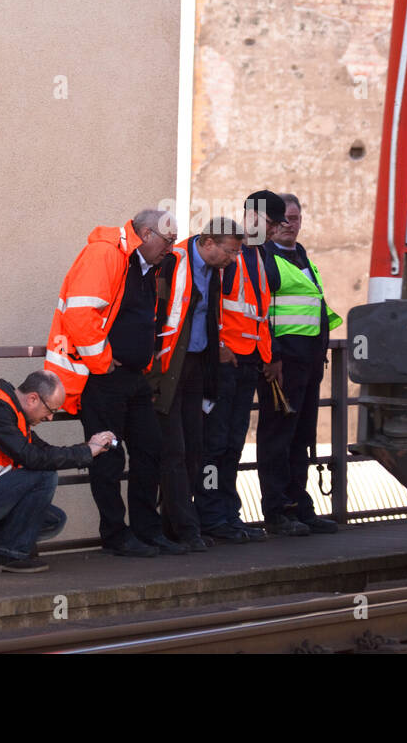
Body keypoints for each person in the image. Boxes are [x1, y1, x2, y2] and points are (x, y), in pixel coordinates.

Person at [44, 209, 174, 557]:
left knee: (150, 448)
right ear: (146, 234)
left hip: (133, 377)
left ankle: (147, 530)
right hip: (103, 380)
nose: (171, 248)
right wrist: (102, 362)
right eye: (167, 240)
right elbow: (79, 313)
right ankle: (116, 535)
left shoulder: (146, 265)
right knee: (108, 457)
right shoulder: (106, 253)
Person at [0, 370, 114, 573]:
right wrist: (86, 452)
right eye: (50, 410)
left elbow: (42, 451)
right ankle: (6, 554)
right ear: (33, 398)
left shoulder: (12, 413)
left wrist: (89, 448)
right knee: (44, 475)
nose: (51, 418)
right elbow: (33, 458)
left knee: (53, 520)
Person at [149, 218, 244, 551]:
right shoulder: (174, 263)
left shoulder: (211, 271)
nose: (232, 260)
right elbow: (159, 315)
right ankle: (183, 529)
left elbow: (204, 316)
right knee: (174, 450)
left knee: (194, 448)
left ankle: (177, 525)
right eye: (229, 252)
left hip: (196, 366)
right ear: (207, 243)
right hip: (169, 368)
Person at [197, 191, 282, 543]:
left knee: (232, 444)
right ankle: (211, 515)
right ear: (253, 217)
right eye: (272, 223)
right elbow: (204, 306)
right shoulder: (227, 253)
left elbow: (259, 313)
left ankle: (227, 514)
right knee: (214, 444)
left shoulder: (257, 255)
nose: (275, 230)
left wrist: (269, 355)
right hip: (225, 364)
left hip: (248, 362)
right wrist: (217, 347)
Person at [255, 193, 342, 536]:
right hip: (281, 364)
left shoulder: (302, 255)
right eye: (285, 219)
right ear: (272, 223)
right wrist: (272, 357)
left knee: (301, 436)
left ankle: (299, 505)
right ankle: (277, 511)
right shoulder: (263, 257)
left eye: (296, 218)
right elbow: (260, 312)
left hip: (308, 362)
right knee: (277, 436)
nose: (292, 225)